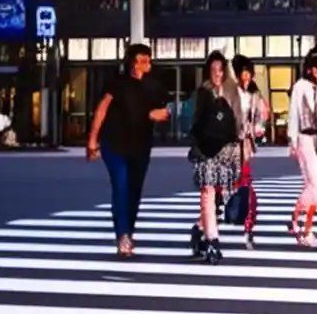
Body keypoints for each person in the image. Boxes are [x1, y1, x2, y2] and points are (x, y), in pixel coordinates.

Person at [86, 44, 170, 258]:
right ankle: (122, 235)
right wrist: (93, 139)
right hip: (114, 144)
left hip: (140, 146)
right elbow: (102, 109)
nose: (145, 64)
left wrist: (160, 114)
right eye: (142, 60)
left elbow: (166, 111)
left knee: (134, 192)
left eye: (148, 60)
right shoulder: (117, 83)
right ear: (132, 62)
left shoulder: (154, 86)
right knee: (121, 186)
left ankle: (128, 232)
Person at [187, 51, 245, 265]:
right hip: (205, 150)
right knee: (208, 193)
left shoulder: (233, 91)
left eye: (220, 70)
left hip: (227, 149)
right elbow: (194, 122)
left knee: (220, 197)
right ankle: (213, 241)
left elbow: (239, 122)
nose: (216, 74)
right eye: (212, 70)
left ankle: (199, 228)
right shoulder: (202, 92)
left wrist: (242, 153)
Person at [288, 48, 317, 248]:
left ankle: (301, 225)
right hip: (303, 138)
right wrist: (292, 141)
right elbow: (294, 115)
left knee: (313, 186)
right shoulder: (300, 87)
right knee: (316, 187)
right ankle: (300, 224)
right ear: (312, 69)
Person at [233, 54, 266, 249]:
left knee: (246, 186)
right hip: (229, 144)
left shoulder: (254, 95)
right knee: (220, 190)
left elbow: (260, 116)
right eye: (243, 72)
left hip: (245, 143)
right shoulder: (231, 92)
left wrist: (258, 128)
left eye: (249, 72)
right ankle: (203, 228)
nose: (246, 76)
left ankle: (248, 228)